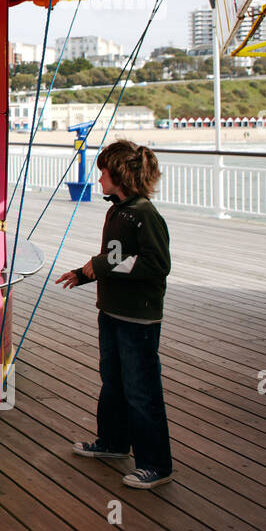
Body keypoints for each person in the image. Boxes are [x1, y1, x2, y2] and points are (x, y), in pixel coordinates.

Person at [55, 138, 173, 489]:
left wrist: (101, 264)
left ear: (119, 174)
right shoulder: (118, 211)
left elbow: (156, 264)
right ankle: (114, 442)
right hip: (112, 313)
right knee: (114, 382)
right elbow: (117, 260)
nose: (99, 177)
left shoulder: (145, 216)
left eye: (103, 171)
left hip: (138, 320)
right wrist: (83, 274)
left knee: (142, 390)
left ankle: (156, 463)